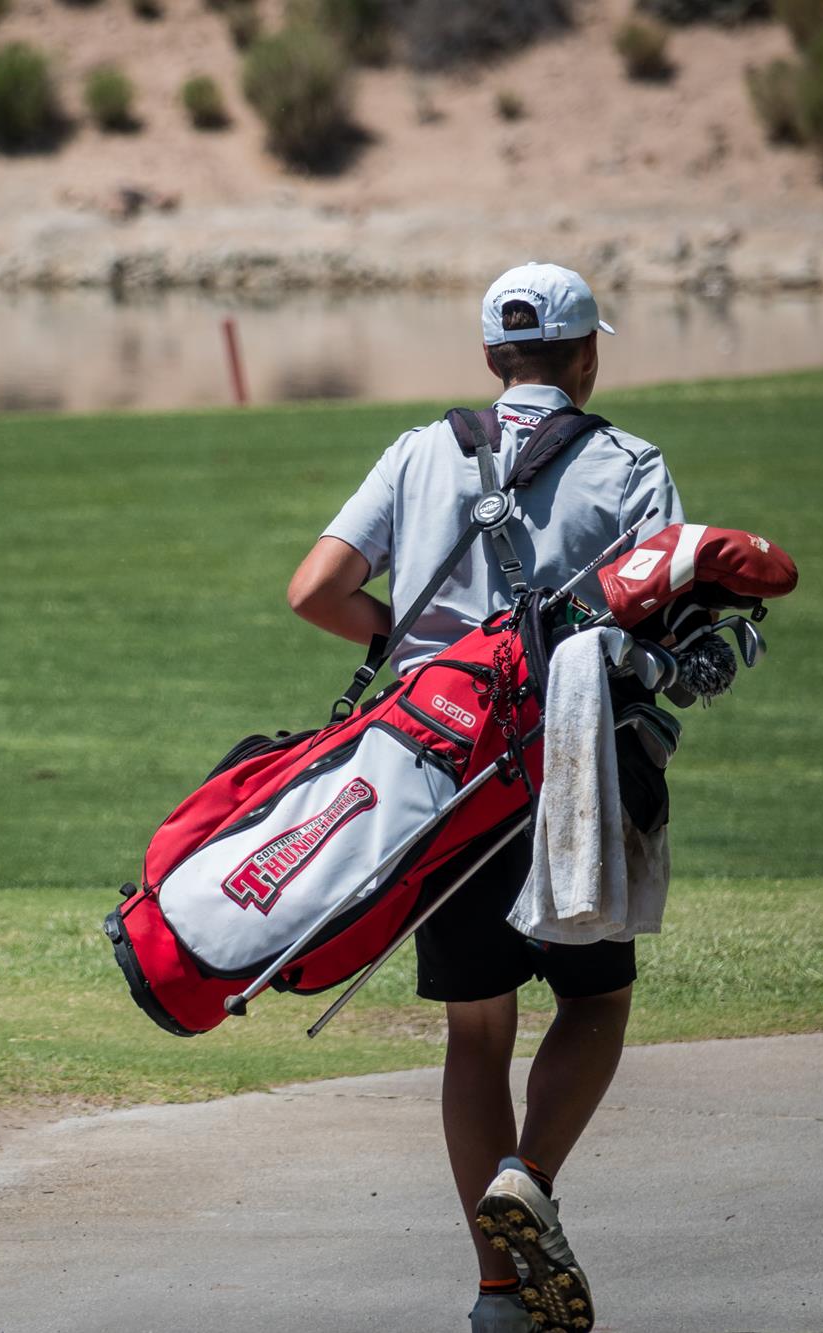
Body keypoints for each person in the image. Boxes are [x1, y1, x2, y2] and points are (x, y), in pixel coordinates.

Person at [286, 262, 682, 1333]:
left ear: (491, 357)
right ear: (586, 355)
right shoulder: (628, 463)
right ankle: (529, 1174)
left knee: (476, 1030)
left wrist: (421, 649)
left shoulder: (420, 452)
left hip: (442, 777)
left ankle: (497, 1296)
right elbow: (661, 617)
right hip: (573, 771)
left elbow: (313, 590)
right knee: (594, 999)